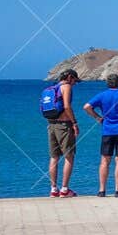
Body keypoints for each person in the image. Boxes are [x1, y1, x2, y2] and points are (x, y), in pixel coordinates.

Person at [41, 69, 80, 197]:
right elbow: (67, 106)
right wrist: (74, 123)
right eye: (75, 80)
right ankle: (64, 189)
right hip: (64, 125)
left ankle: (53, 189)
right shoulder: (66, 87)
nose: (75, 84)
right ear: (69, 77)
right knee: (69, 156)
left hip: (51, 124)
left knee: (54, 157)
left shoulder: (51, 89)